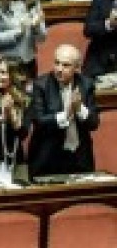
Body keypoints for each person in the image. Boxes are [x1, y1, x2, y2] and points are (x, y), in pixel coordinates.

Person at [29, 44, 99, 176]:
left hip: (80, 157)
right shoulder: (41, 85)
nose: (59, 69)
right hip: (48, 158)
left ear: (77, 68)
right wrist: (65, 115)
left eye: (65, 65)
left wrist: (79, 109)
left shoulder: (86, 85)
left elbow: (94, 123)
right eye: (57, 63)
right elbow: (38, 121)